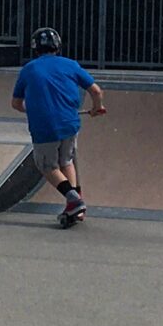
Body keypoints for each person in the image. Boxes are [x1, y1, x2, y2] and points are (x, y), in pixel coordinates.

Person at [11, 26, 107, 225]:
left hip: (45, 127)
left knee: (47, 166)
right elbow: (96, 91)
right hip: (70, 124)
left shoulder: (29, 69)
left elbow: (16, 104)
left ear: (35, 48)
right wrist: (97, 108)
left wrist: (33, 109)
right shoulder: (71, 65)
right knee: (66, 162)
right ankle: (75, 208)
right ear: (58, 46)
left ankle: (74, 200)